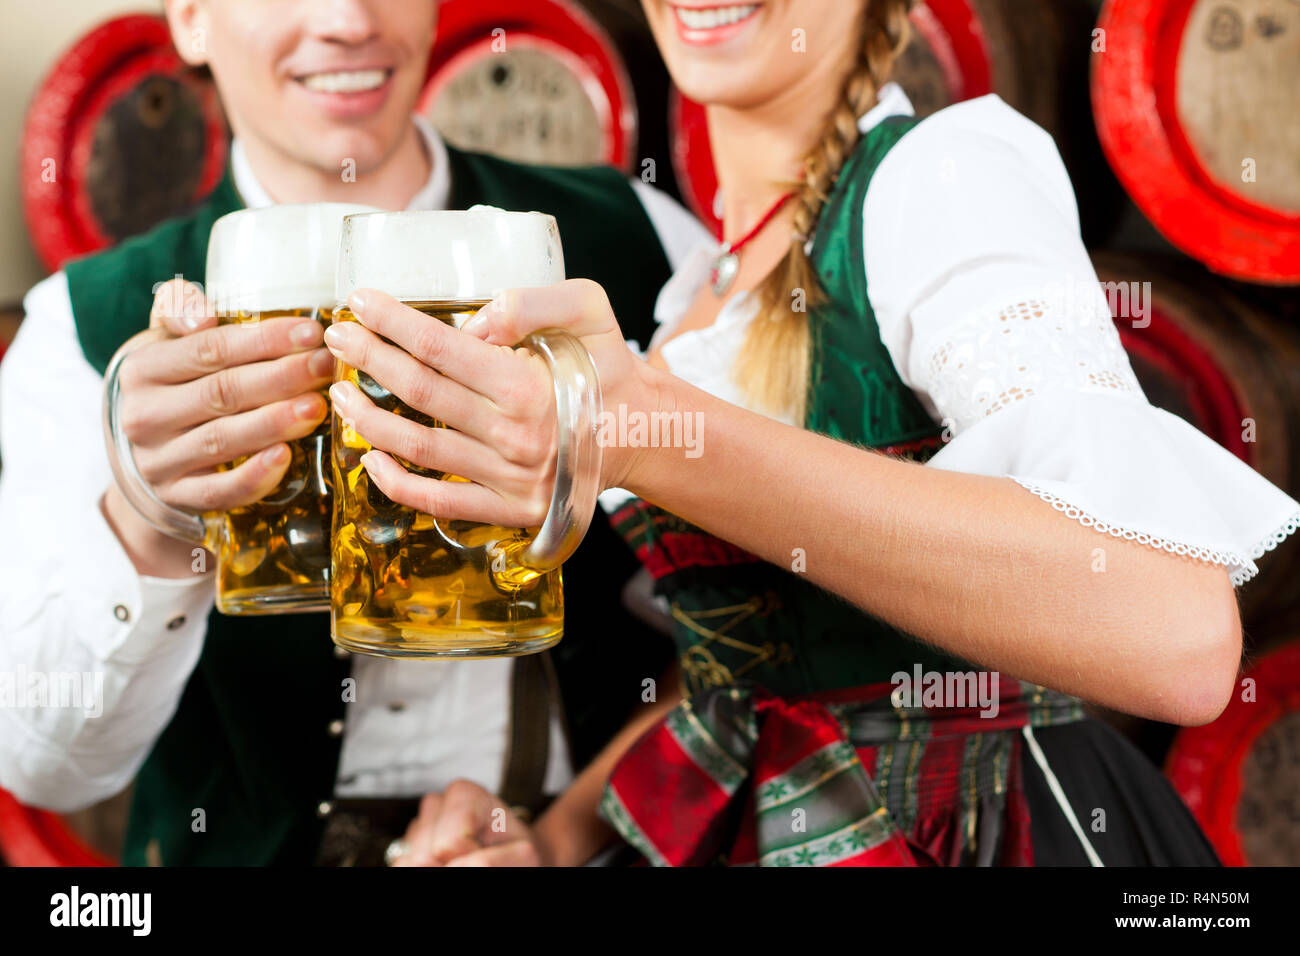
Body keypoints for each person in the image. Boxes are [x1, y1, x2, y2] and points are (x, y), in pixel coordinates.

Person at [334, 0, 1300, 866]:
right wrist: (553, 840)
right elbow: (745, 687)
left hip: (977, 830)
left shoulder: (939, 178)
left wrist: (652, 434)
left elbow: (1175, 637)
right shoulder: (695, 294)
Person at [0, 0, 710, 866]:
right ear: (189, 17)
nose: (345, 19)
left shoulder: (643, 239)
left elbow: (739, 646)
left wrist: (565, 844)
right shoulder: (77, 328)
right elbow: (44, 771)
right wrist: (145, 518)